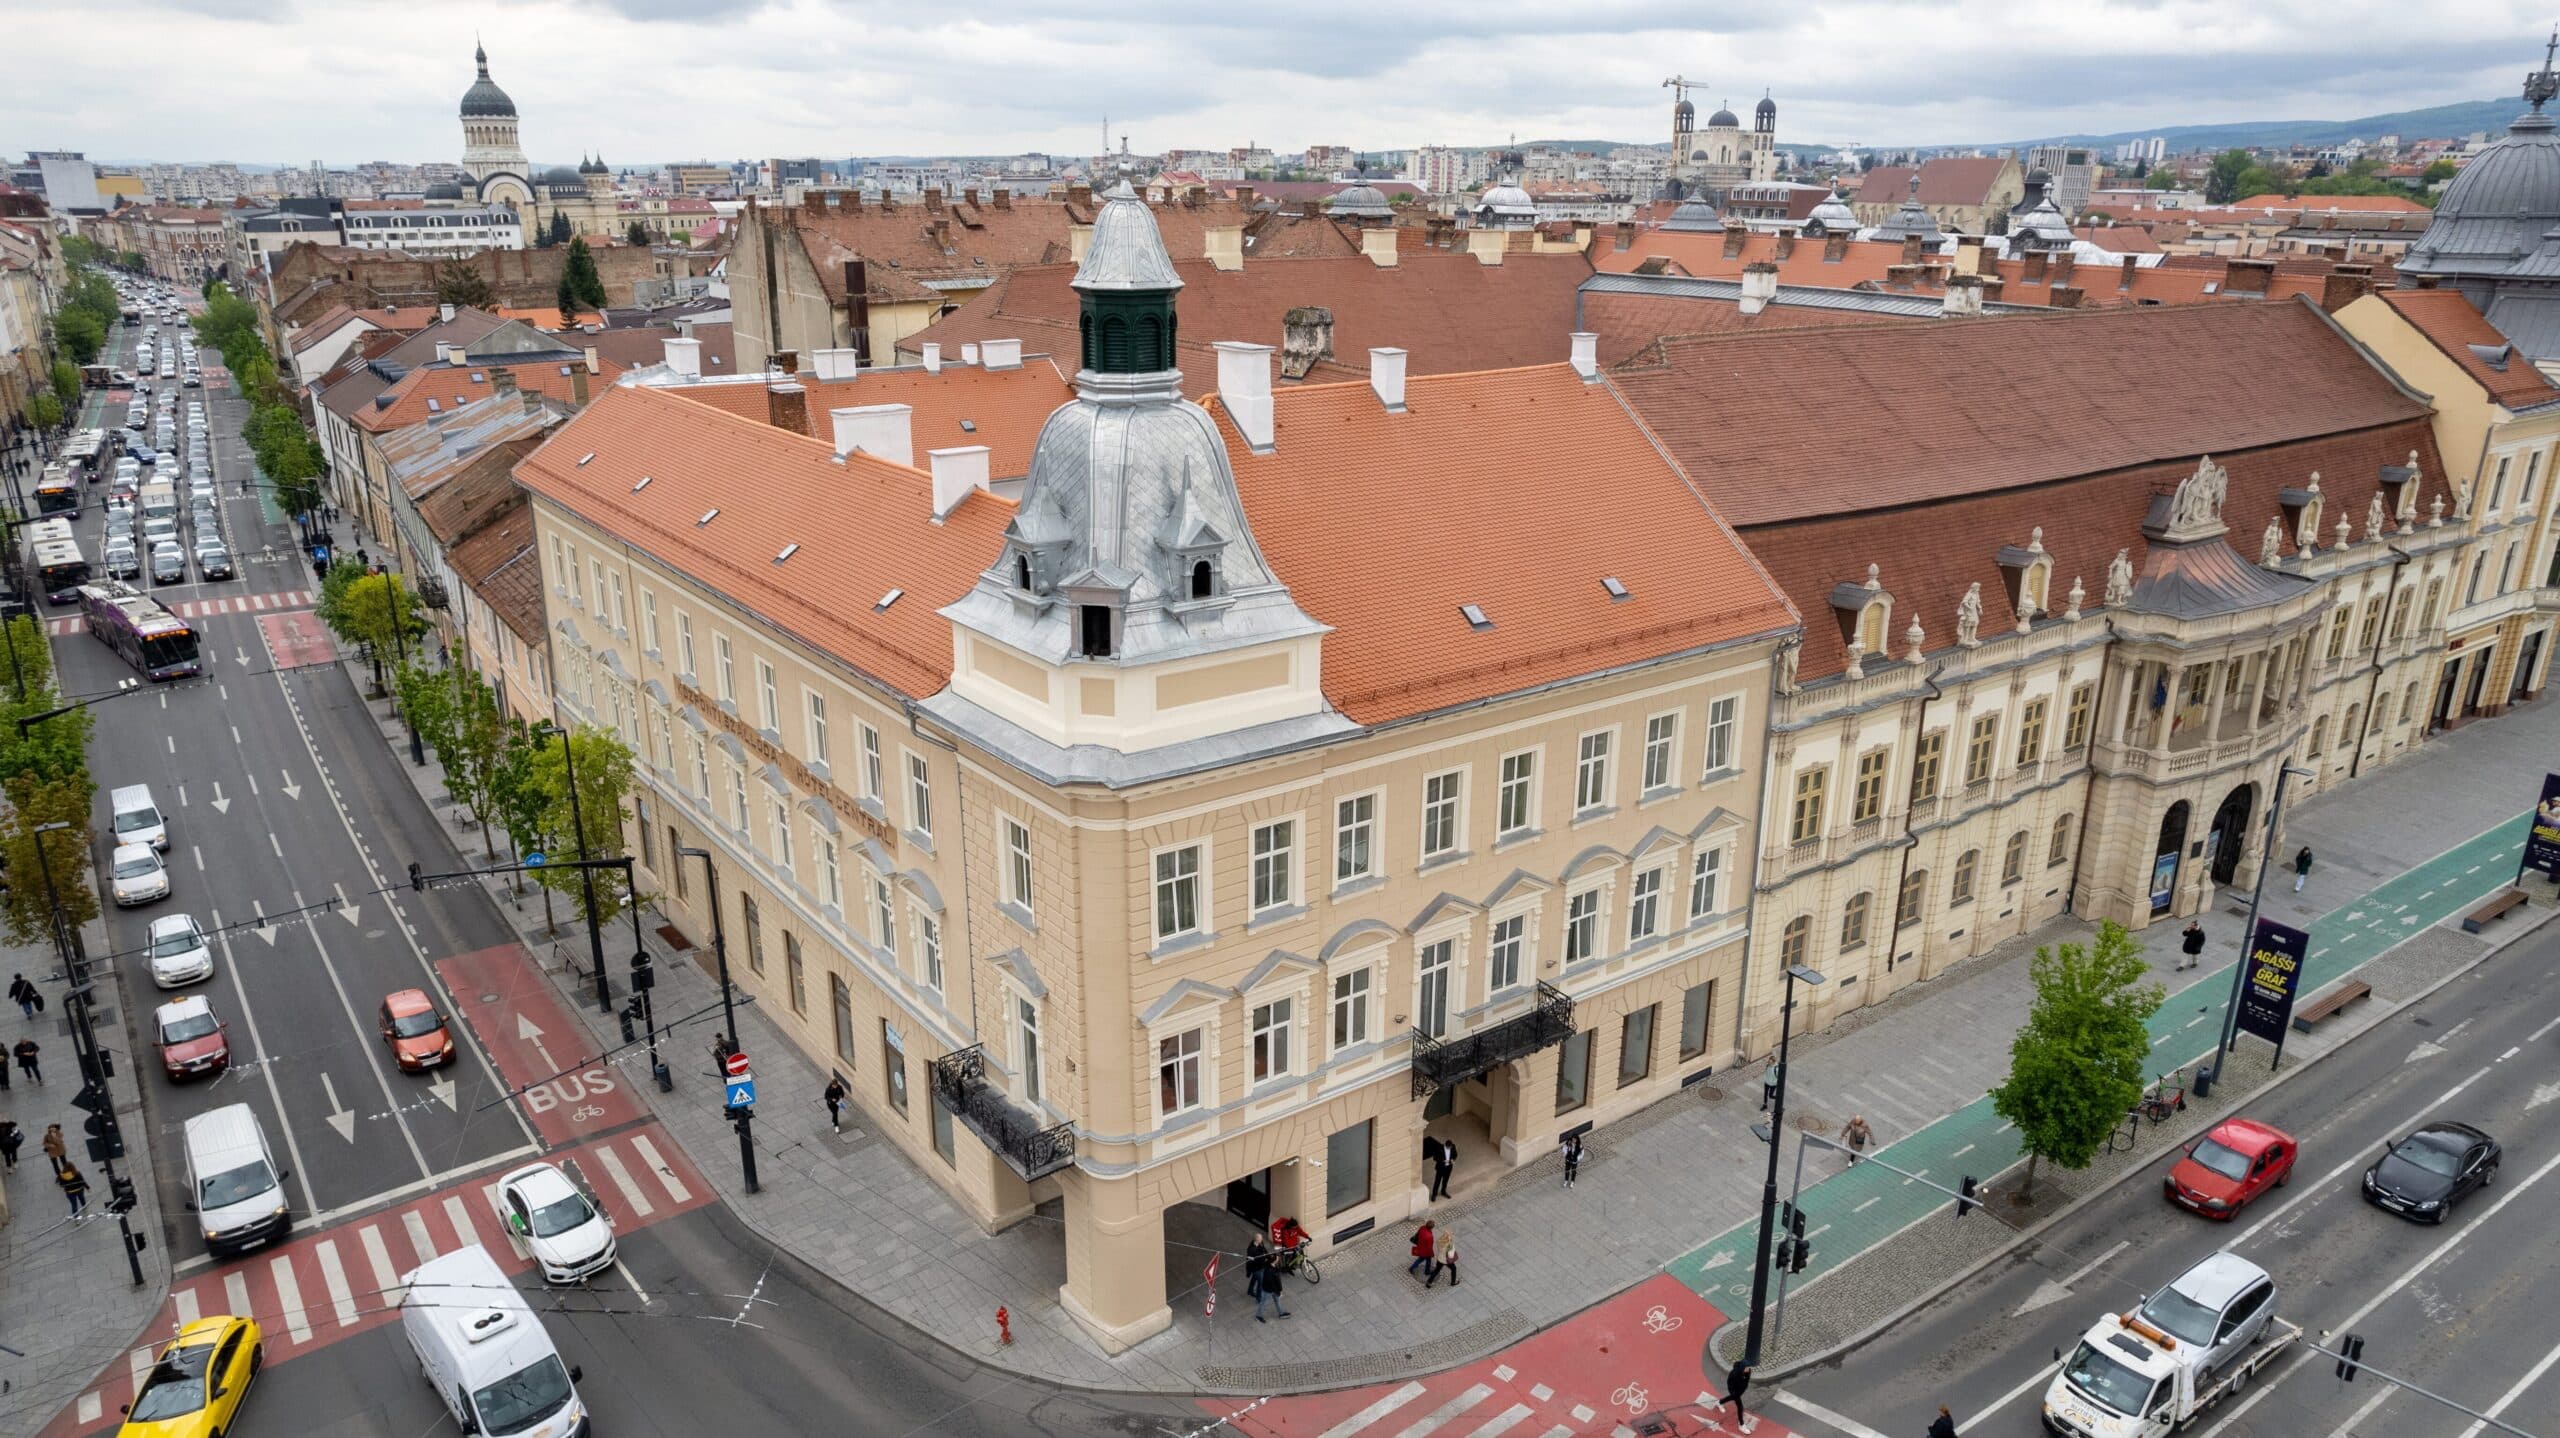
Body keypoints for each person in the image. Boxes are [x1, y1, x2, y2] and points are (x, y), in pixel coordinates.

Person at [1253, 1240, 1291, 1321]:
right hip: (1269, 1290)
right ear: (1274, 1261)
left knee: (1277, 1301)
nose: (1278, 1259)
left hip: (1272, 1288)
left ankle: (1281, 1313)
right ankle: (1258, 1316)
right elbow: (1273, 1283)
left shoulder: (1271, 1265)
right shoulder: (1270, 1271)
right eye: (1277, 1259)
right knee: (1264, 1303)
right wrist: (1279, 1292)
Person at [1722, 1359, 1754, 1429]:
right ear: (1742, 1367)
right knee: (1740, 1407)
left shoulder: (1748, 1371)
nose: (1748, 1369)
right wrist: (1734, 1394)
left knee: (1731, 1398)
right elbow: (1729, 1384)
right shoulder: (1734, 1374)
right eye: (1746, 1368)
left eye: (1748, 1367)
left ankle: (1719, 1402)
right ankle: (1741, 1424)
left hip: (1740, 1391)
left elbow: (1747, 1380)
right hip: (1735, 1391)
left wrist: (1743, 1388)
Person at [1428, 1134, 1456, 1201]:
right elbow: (1435, 1158)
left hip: (1449, 1168)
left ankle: (1443, 1192)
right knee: (1437, 1181)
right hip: (1441, 1168)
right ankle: (1434, 1195)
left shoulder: (1453, 1147)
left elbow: (1455, 1154)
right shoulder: (1439, 1148)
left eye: (1451, 1147)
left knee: (1445, 1181)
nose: (1450, 1148)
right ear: (1446, 1146)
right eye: (1449, 1147)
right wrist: (1443, 1161)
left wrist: (1452, 1159)